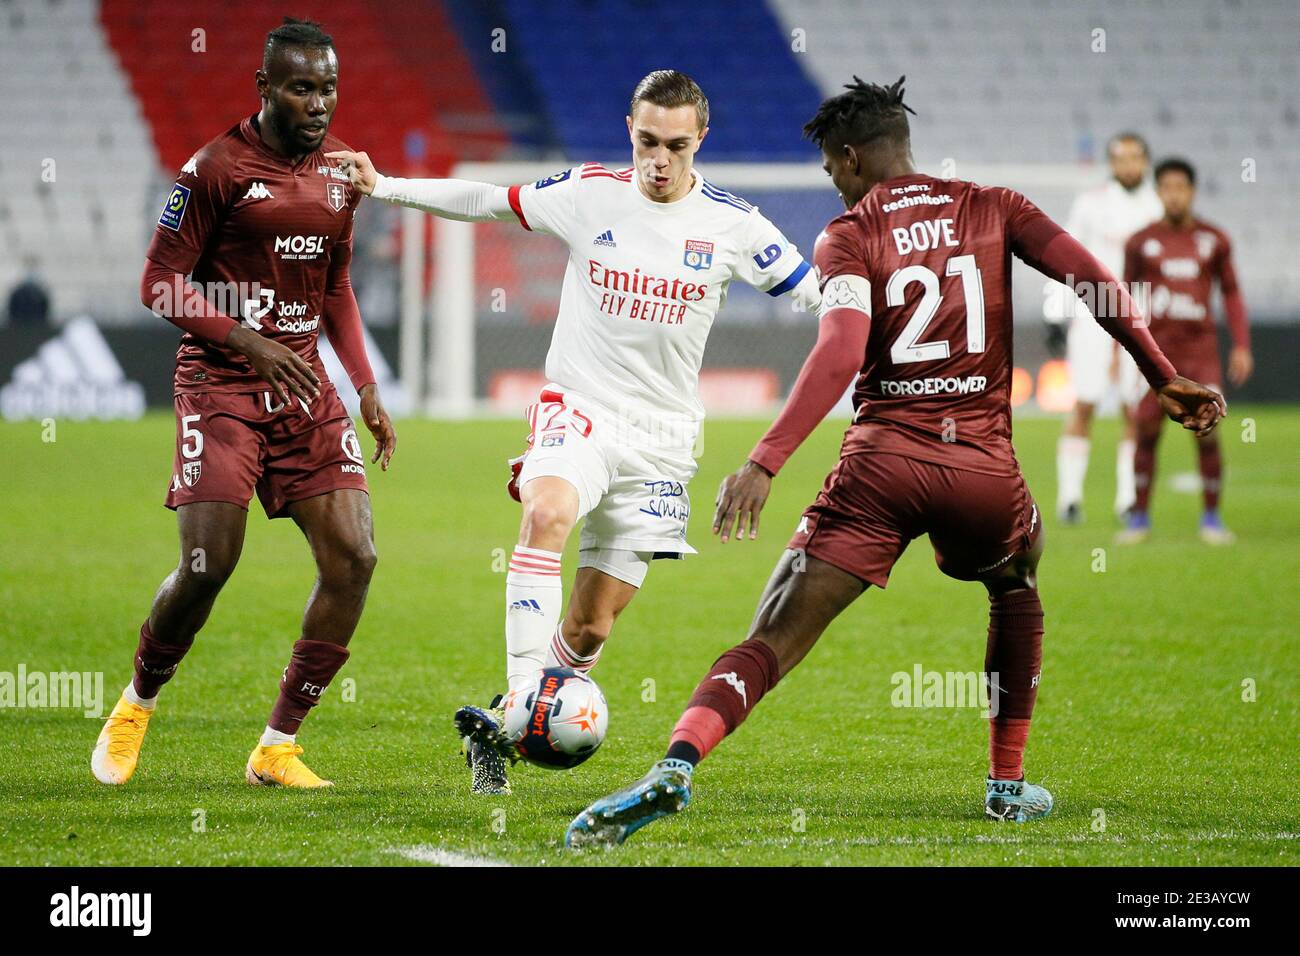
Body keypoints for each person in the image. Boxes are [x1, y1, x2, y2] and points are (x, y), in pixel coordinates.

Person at [566, 77, 1226, 846]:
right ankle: (1006, 784)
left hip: (879, 469)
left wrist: (765, 461)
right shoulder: (996, 207)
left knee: (772, 637)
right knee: (1016, 579)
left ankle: (677, 765)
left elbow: (841, 351)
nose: (834, 185)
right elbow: (1094, 282)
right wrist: (1159, 373)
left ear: (851, 158)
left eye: (831, 170)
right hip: (982, 470)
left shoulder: (849, 235)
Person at [329, 69, 821, 795]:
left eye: (676, 146)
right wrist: (387, 186)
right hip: (580, 408)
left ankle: (507, 721)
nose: (660, 160)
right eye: (647, 142)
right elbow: (489, 201)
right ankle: (517, 705)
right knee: (548, 512)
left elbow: (820, 297)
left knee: (590, 628)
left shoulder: (735, 226)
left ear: (700, 141)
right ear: (630, 131)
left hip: (661, 440)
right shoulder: (589, 193)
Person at [91, 18, 397, 790]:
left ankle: (276, 747)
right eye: (301, 88)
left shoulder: (342, 174)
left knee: (355, 558)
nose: (318, 103)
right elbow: (159, 283)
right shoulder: (214, 170)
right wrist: (248, 342)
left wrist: (364, 384)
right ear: (264, 87)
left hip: (303, 387)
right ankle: (136, 704)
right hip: (220, 384)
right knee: (207, 564)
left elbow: (334, 286)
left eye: (328, 88)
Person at [1118, 157, 1251, 544]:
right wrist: (1118, 349)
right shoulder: (1140, 241)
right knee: (1146, 430)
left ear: (1192, 191)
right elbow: (1123, 297)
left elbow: (1231, 292)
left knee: (1207, 430)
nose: (1174, 195)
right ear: (1158, 192)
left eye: (1181, 188)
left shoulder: (1214, 239)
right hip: (1156, 355)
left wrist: (1242, 344)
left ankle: (1211, 518)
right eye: (1167, 188)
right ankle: (1139, 519)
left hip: (1200, 352)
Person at [1045, 132, 1163, 524]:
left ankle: (1127, 499)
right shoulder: (1090, 203)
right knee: (1086, 401)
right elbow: (1061, 255)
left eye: (1134, 157)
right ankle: (1070, 498)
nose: (1128, 164)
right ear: (1111, 163)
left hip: (1141, 318)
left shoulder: (1158, 206)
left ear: (1145, 161)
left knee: (1134, 408)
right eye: (1120, 158)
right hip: (1092, 315)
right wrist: (1054, 312)